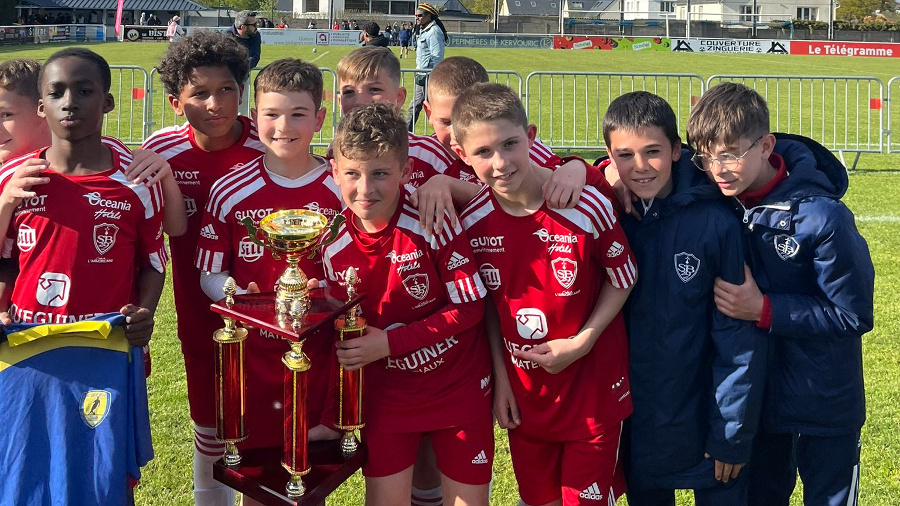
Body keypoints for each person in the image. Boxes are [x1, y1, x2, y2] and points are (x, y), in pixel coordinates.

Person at [685, 82, 874, 506]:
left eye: (731, 152)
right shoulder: (717, 199)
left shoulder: (824, 217)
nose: (718, 168)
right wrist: (586, 167)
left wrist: (764, 309)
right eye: (707, 156)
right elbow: (646, 162)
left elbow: (853, 315)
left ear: (766, 144)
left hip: (825, 402)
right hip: (761, 403)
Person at [0, 47, 167, 506]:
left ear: (108, 102)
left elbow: (153, 261)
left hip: (105, 351)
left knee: (103, 474)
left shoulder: (134, 181)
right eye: (56, 92)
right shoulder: (18, 178)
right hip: (29, 353)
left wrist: (144, 314)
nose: (69, 101)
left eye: (84, 90)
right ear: (41, 107)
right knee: (26, 471)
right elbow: (5, 262)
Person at [456, 83, 636, 506]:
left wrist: (582, 341)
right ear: (461, 155)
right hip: (526, 399)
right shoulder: (473, 222)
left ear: (531, 137)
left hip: (592, 393)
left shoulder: (584, 203)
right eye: (483, 152)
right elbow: (488, 311)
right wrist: (502, 380)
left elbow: (623, 277)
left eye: (510, 144)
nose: (500, 162)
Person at [601, 91, 767, 505]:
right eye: (625, 155)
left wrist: (730, 432)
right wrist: (581, 171)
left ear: (677, 150)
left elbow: (736, 341)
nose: (639, 167)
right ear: (609, 156)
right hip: (640, 423)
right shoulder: (608, 214)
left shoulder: (716, 221)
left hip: (708, 424)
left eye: (653, 151)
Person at [322, 102, 492, 506]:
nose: (365, 189)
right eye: (352, 174)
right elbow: (340, 336)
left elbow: (470, 308)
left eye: (380, 173)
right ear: (334, 172)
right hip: (387, 400)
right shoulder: (329, 241)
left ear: (404, 170)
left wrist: (390, 344)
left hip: (458, 392)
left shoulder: (433, 219)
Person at [195, 58, 341, 480]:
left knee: (309, 477)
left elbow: (358, 271)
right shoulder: (229, 190)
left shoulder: (341, 188)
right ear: (255, 117)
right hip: (252, 363)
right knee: (257, 479)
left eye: (298, 114)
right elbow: (208, 274)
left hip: (321, 358)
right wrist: (239, 294)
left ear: (319, 118)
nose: (284, 126)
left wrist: (326, 291)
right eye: (272, 114)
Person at [141, 31, 265, 506]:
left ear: (242, 89)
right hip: (198, 310)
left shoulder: (267, 145)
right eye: (199, 93)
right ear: (175, 102)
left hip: (265, 311)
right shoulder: (160, 153)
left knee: (261, 416)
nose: (216, 103)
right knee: (209, 422)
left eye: (228, 89)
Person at [335, 46, 454, 192]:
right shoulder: (335, 157)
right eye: (349, 92)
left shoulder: (430, 156)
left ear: (400, 97)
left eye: (374, 89)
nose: (361, 101)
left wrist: (449, 185)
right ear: (339, 102)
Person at [408, 3, 448, 132]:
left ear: (429, 16)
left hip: (429, 76)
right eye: (416, 16)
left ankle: (446, 135)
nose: (417, 18)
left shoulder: (434, 32)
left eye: (420, 15)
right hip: (422, 75)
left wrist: (434, 76)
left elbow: (437, 56)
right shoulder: (423, 30)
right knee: (415, 106)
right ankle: (405, 135)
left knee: (434, 108)